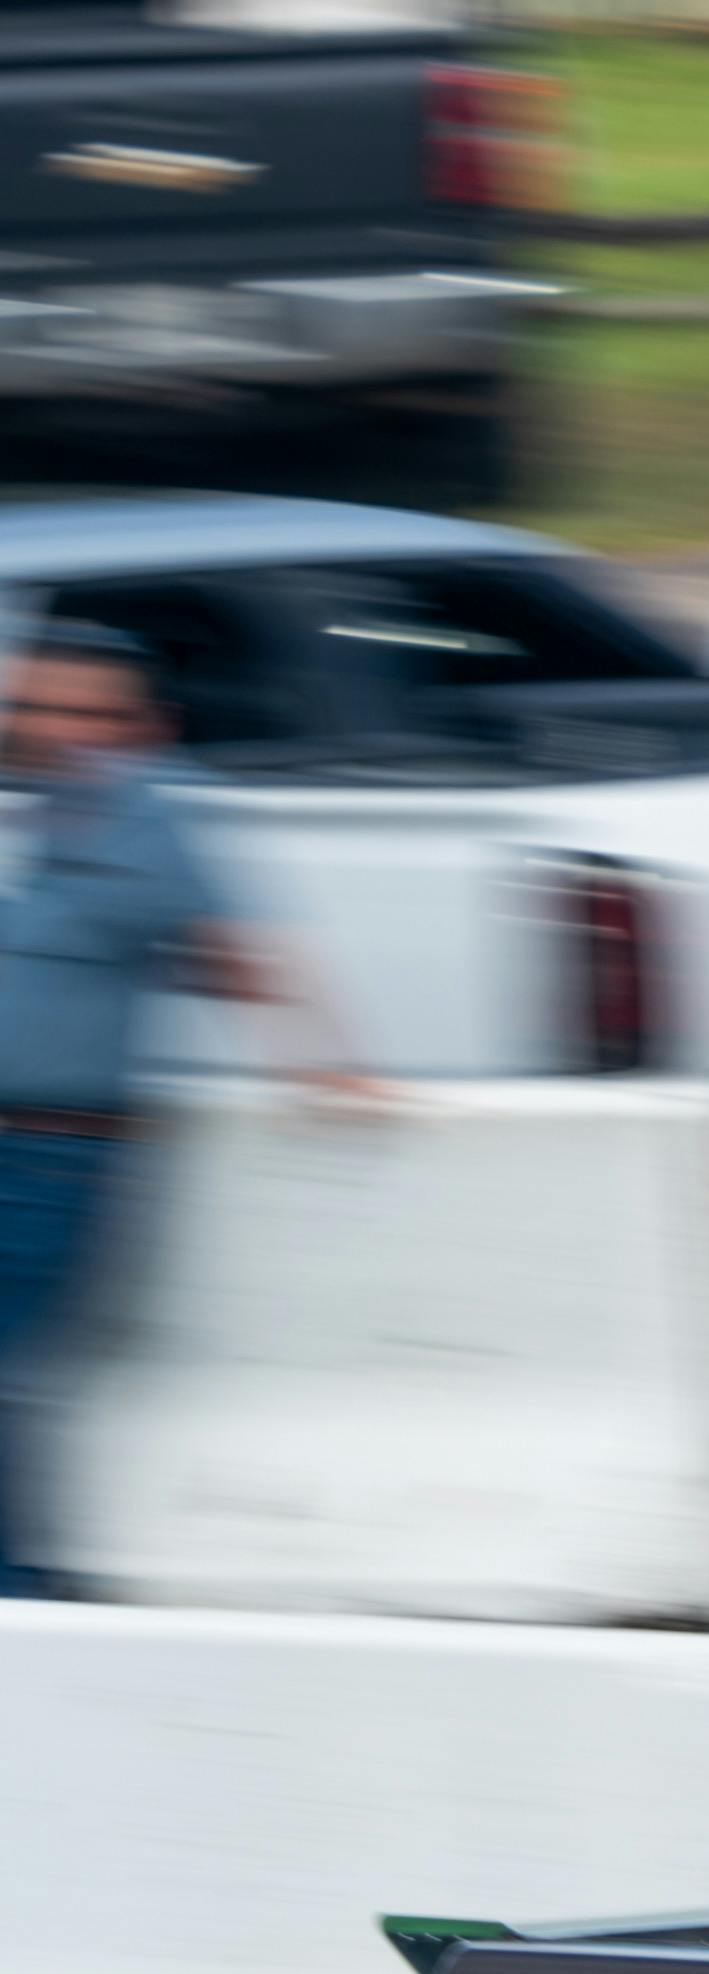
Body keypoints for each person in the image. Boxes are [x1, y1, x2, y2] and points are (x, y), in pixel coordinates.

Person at [0, 621, 379, 1600]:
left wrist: (325, 1063)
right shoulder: (37, 818)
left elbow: (232, 952)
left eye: (90, 711)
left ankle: (26, 1592)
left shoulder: (149, 818)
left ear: (145, 727)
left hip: (48, 1155)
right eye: (38, 703)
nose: (57, 727)